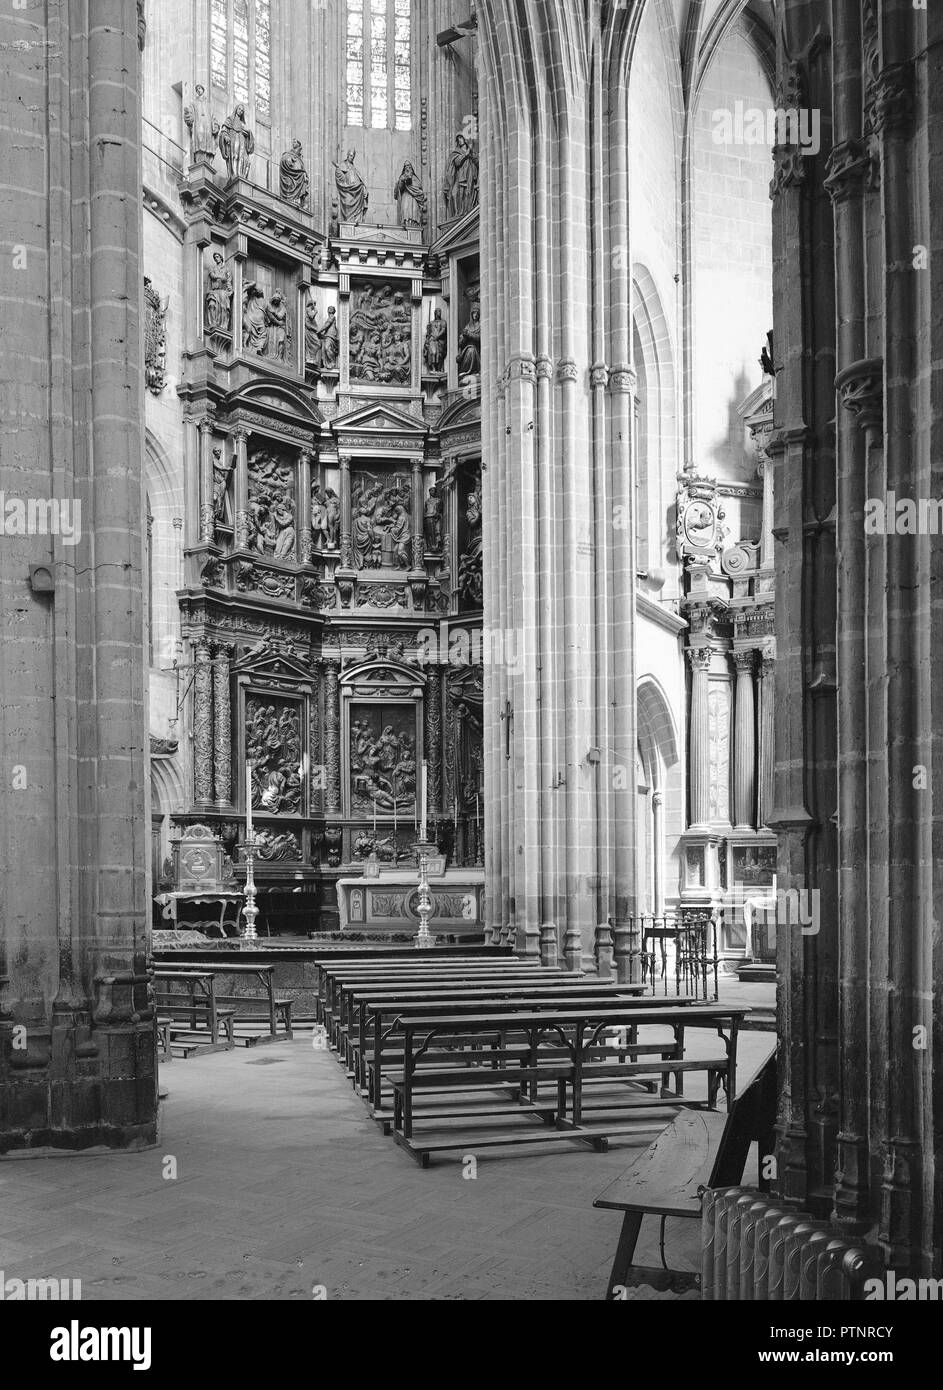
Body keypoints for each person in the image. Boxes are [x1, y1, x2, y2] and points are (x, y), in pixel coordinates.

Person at [443, 133, 479, 218]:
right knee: (455, 193)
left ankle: (469, 211)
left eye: (461, 138)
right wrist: (465, 155)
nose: (460, 140)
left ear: (465, 139)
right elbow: (456, 162)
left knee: (468, 192)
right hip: (460, 175)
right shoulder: (456, 152)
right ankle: (459, 212)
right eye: (458, 138)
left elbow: (477, 162)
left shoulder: (471, 151)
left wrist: (471, 155)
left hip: (470, 174)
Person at [218, 103, 255, 181]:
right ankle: (235, 176)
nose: (240, 111)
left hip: (242, 143)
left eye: (242, 111)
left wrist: (248, 134)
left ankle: (242, 177)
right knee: (235, 157)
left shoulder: (243, 124)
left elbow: (248, 135)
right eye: (239, 109)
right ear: (236, 109)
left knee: (246, 160)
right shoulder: (230, 119)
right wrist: (225, 136)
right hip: (233, 141)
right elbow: (223, 131)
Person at [333, 149, 369, 225]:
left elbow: (360, 179)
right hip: (348, 191)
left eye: (353, 156)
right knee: (347, 206)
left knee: (357, 214)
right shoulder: (343, 165)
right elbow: (340, 177)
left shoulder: (354, 168)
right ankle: (348, 222)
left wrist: (363, 187)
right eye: (351, 155)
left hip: (357, 192)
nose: (352, 157)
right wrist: (338, 170)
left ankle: (357, 222)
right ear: (347, 155)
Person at [204, 251, 233, 333]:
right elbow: (212, 276)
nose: (216, 259)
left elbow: (228, 281)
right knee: (211, 305)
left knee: (223, 308)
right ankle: (213, 323)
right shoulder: (212, 268)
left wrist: (230, 290)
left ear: (221, 258)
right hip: (214, 291)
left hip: (222, 292)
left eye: (217, 257)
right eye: (215, 257)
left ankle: (223, 326)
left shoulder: (226, 269)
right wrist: (221, 277)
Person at [393, 160, 426, 228]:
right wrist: (402, 181)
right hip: (406, 196)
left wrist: (412, 185)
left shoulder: (415, 178)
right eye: (405, 166)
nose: (407, 167)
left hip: (413, 198)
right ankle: (406, 224)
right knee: (405, 210)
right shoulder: (402, 177)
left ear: (411, 167)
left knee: (414, 211)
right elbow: (400, 189)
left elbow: (419, 187)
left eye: (408, 165)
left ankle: (414, 225)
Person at [279, 139, 309, 209]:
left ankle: (298, 201)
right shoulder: (289, 154)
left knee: (303, 181)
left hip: (298, 175)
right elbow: (284, 159)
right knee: (290, 183)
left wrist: (304, 174)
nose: (293, 143)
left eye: (295, 142)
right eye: (293, 142)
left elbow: (302, 168)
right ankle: (291, 199)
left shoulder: (300, 157)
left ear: (299, 144)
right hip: (290, 174)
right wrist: (289, 160)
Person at [242, 282, 268, 354]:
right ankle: (257, 347)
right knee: (261, 334)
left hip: (256, 320)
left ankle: (257, 347)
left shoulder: (262, 301)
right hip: (253, 319)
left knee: (262, 333)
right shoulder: (252, 298)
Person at [456, 302, 481, 376]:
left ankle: (469, 371)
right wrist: (462, 337)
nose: (475, 315)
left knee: (471, 351)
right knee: (469, 350)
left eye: (477, 313)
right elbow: (461, 341)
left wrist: (469, 334)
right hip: (467, 347)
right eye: (474, 313)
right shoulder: (468, 326)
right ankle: (465, 371)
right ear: (471, 314)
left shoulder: (481, 325)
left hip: (476, 348)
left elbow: (480, 338)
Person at [423, 308, 447, 373]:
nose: (439, 313)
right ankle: (433, 367)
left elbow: (443, 330)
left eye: (440, 311)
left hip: (440, 341)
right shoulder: (431, 322)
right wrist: (428, 328)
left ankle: (438, 368)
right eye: (438, 311)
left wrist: (437, 336)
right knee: (433, 352)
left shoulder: (443, 322)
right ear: (435, 313)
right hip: (432, 339)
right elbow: (428, 333)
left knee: (439, 354)